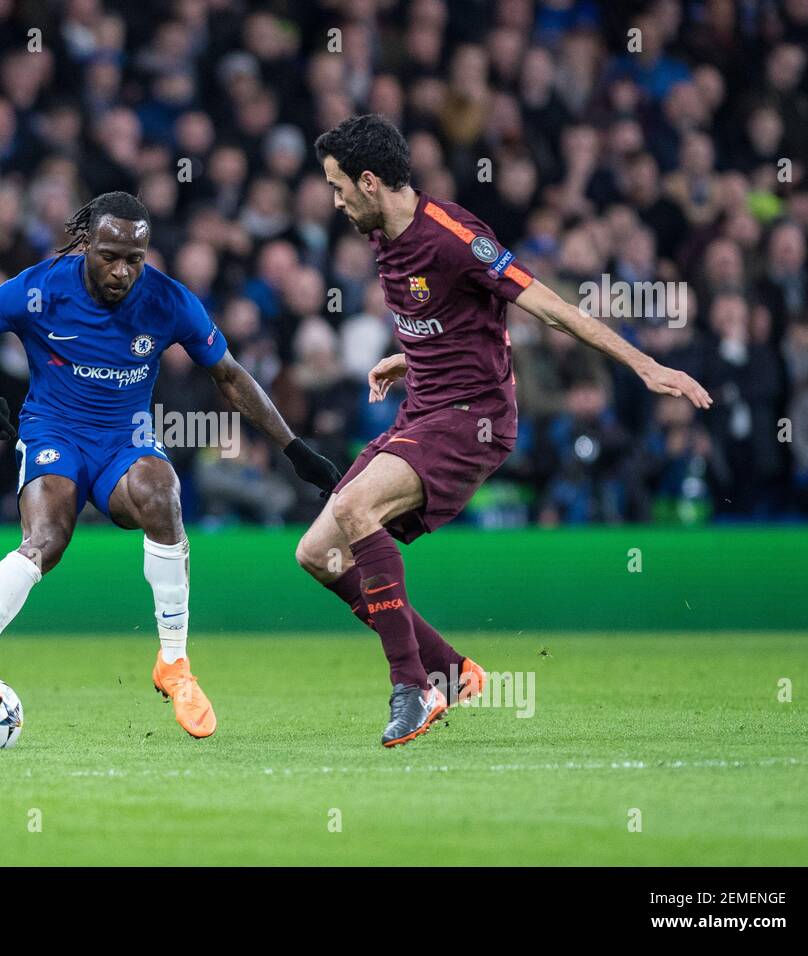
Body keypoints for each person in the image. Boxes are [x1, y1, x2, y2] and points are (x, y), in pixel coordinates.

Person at [298, 115, 712, 747]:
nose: (335, 201)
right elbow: (461, 324)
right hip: (423, 413)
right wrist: (409, 355)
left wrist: (644, 364)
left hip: (473, 422)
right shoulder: (384, 233)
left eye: (338, 187)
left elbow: (549, 307)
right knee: (318, 554)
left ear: (371, 181)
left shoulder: (455, 237)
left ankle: (412, 687)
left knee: (356, 508)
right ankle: (451, 670)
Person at [0, 191, 340, 739]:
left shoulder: (170, 301)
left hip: (125, 439)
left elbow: (230, 376)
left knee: (163, 494)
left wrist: (292, 447)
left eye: (134, 260)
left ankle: (174, 664)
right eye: (109, 256)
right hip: (53, 432)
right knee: (46, 541)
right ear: (86, 243)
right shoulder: (40, 287)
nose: (121, 271)